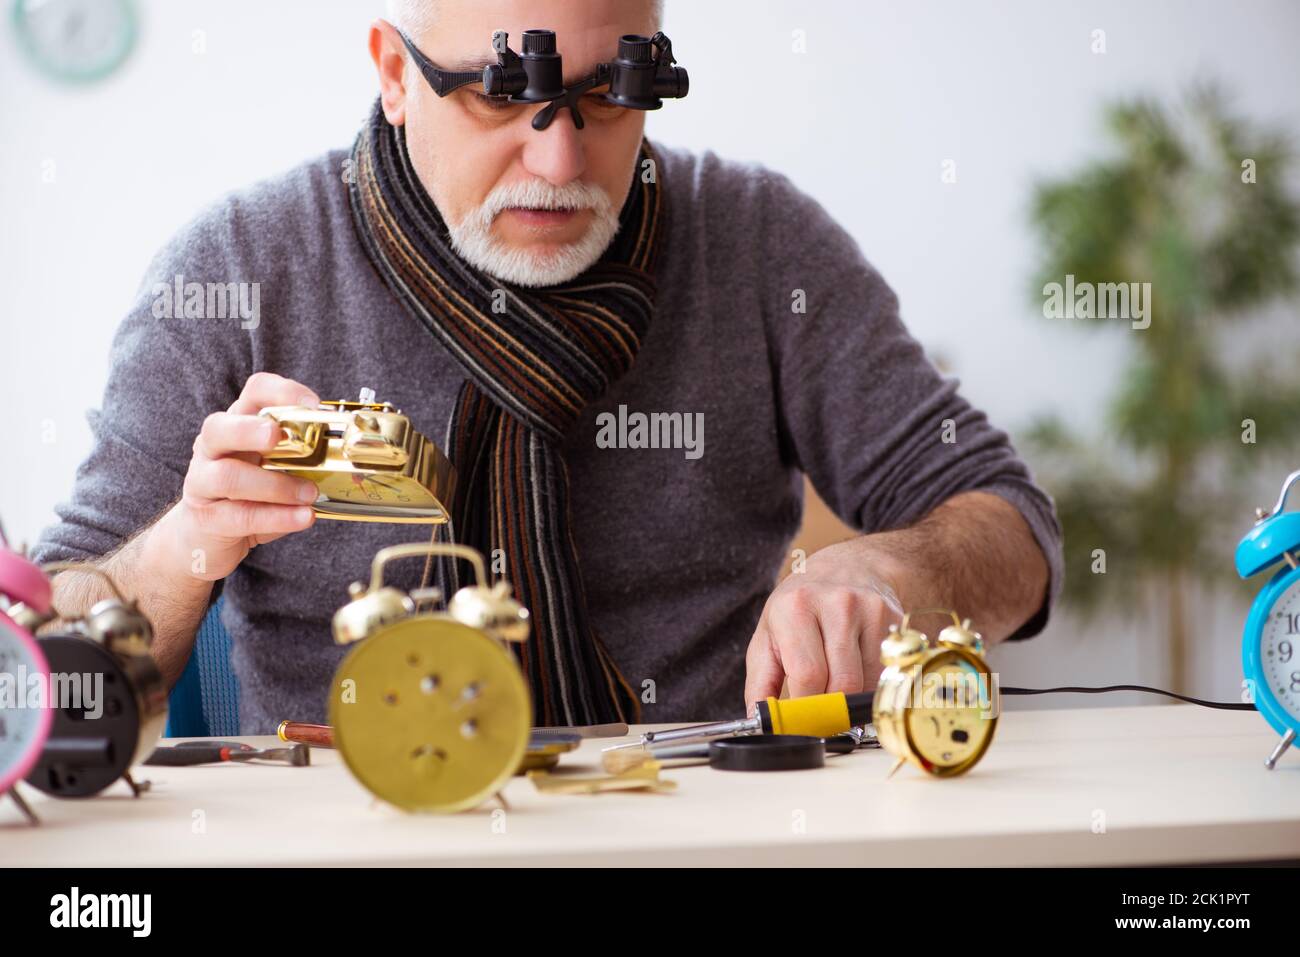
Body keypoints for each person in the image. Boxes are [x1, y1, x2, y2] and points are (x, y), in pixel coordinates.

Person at [32, 0, 1062, 731]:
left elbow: (1013, 529)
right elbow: (57, 657)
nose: (562, 161)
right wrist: (180, 551)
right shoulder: (241, 267)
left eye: (613, 92)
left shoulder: (759, 243)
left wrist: (895, 569)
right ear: (394, 75)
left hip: (694, 835)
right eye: (499, 91)